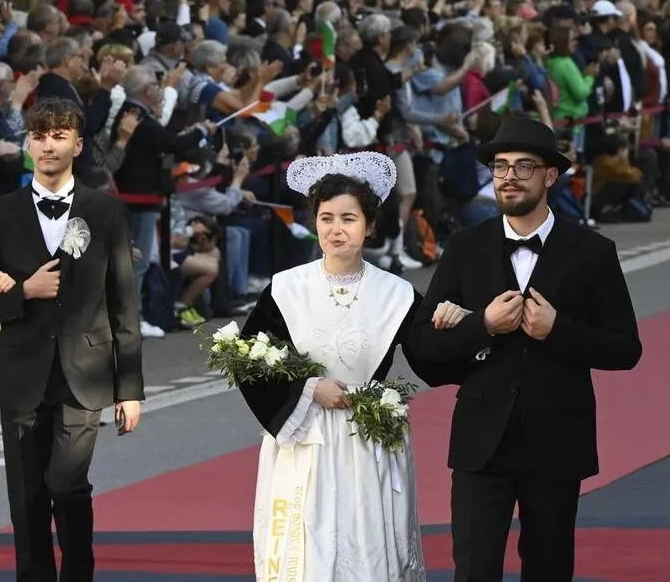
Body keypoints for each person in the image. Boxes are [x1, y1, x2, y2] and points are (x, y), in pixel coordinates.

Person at [407, 116, 643, 582]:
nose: (509, 176)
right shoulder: (464, 247)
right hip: (481, 441)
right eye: (500, 166)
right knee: (474, 571)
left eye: (523, 166)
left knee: (550, 569)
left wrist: (559, 330)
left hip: (558, 438)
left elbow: (626, 349)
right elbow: (423, 346)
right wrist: (482, 325)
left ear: (550, 175)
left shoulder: (592, 251)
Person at [237, 151, 460, 582]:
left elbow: (429, 357)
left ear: (370, 225)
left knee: (369, 548)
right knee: (306, 554)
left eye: (348, 218)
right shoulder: (286, 289)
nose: (336, 230)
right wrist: (307, 388)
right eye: (326, 218)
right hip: (303, 439)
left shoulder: (396, 293)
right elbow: (249, 361)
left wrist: (461, 326)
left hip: (368, 440)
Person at [0, 96, 144, 582]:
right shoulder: (0, 213)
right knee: (26, 497)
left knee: (67, 484)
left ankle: (78, 574)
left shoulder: (105, 210)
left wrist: (130, 388)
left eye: (59, 136)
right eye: (39, 136)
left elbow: (123, 301)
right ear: (28, 143)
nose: (48, 145)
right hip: (21, 372)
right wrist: (24, 290)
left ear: (77, 144)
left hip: (84, 371)